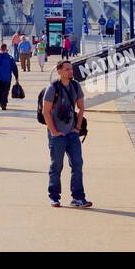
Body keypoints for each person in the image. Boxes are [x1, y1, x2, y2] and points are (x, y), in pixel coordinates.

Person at [43, 60, 91, 208]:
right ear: (59, 71)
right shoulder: (53, 88)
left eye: (71, 69)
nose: (70, 72)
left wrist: (77, 128)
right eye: (67, 69)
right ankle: (54, 197)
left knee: (77, 165)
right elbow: (46, 111)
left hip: (72, 135)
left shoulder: (75, 86)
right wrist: (54, 132)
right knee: (56, 166)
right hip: (58, 136)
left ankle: (78, 197)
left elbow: (81, 107)